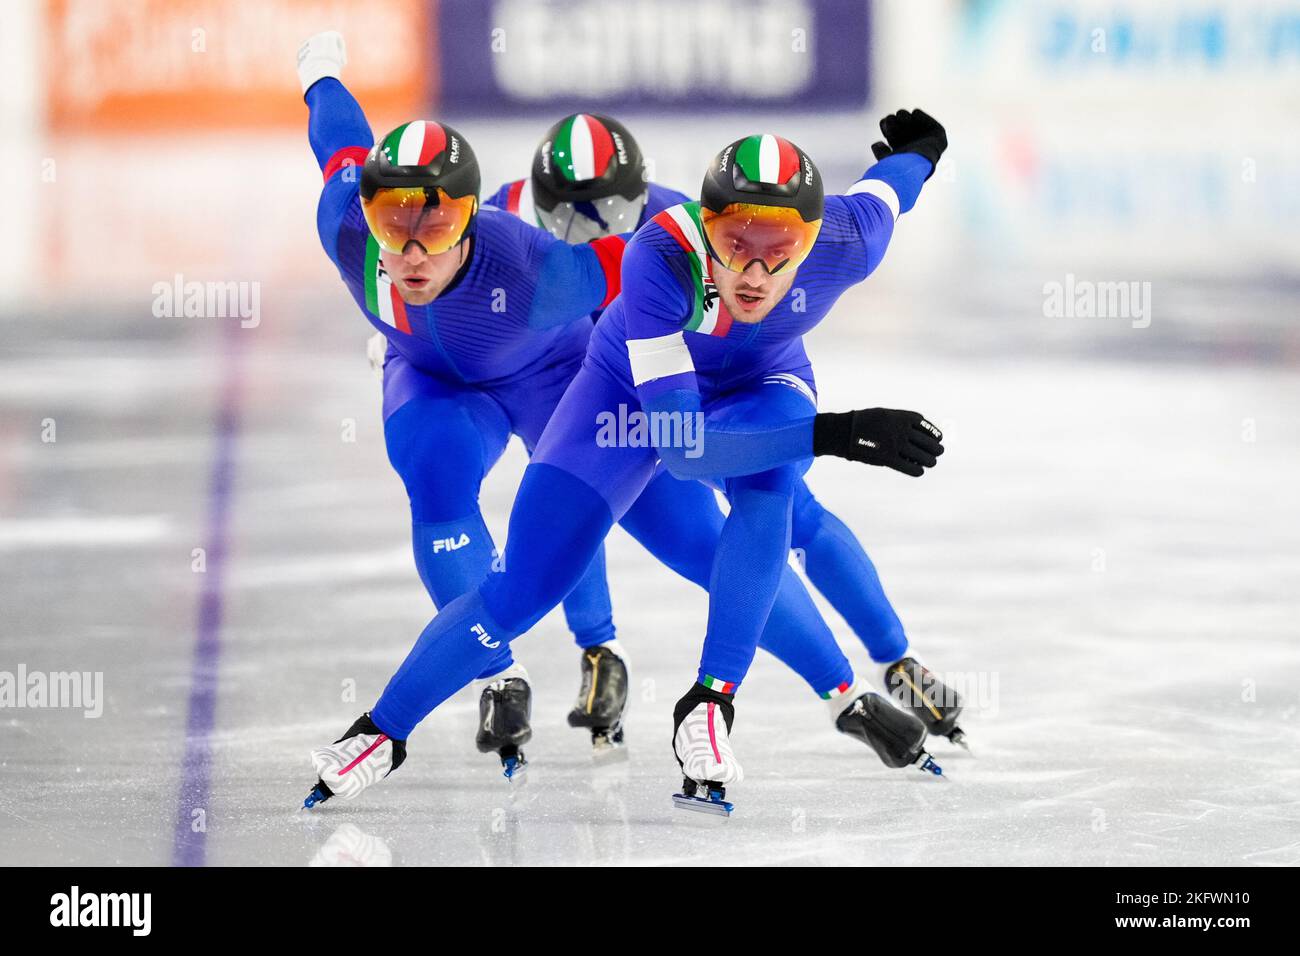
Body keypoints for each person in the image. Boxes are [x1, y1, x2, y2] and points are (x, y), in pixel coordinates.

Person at [298, 34, 952, 793]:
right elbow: (683, 448)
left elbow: (885, 193)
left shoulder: (832, 242)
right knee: (506, 558)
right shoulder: (631, 256)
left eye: (784, 248)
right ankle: (388, 728)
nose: (757, 269)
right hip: (608, 379)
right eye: (736, 242)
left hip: (602, 372)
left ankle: (742, 698)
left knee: (764, 496)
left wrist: (922, 153)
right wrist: (319, 76)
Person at [489, 114, 969, 757]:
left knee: (785, 516)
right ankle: (606, 647)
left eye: (614, 209)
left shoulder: (693, 227)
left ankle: (889, 664)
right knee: (641, 532)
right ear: (537, 203)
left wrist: (920, 158)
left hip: (718, 392)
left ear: (645, 194)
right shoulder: (502, 225)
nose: (597, 229)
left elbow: (878, 201)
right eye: (572, 219)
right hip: (615, 398)